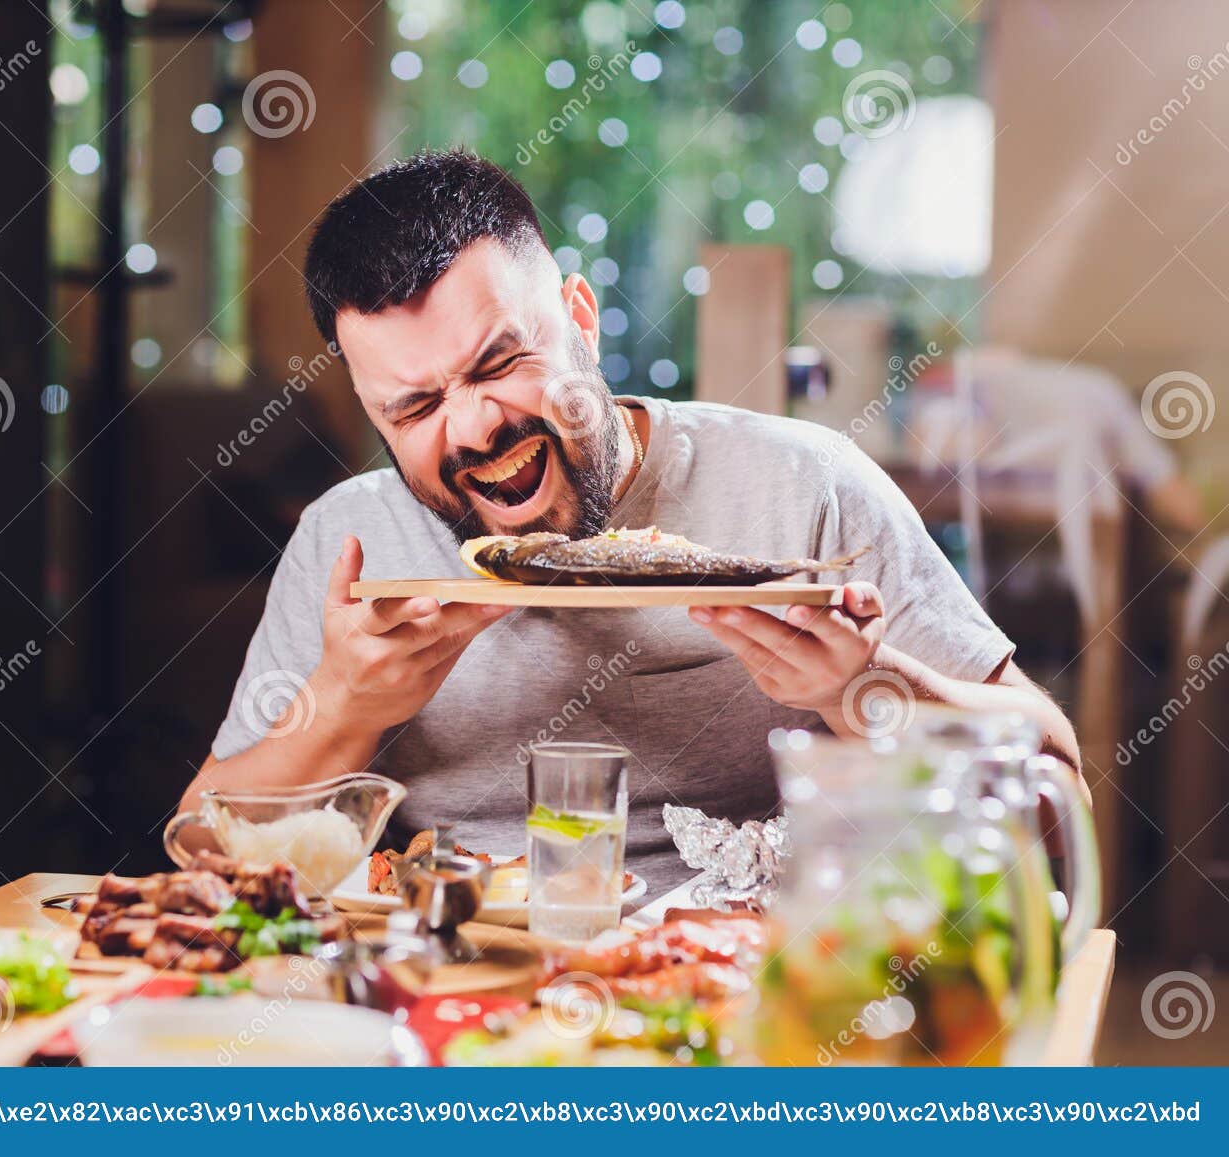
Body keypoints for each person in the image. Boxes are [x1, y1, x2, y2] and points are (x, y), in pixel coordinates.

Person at [183, 150, 1080, 894]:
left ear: (580, 320)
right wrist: (344, 708)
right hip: (441, 1018)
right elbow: (199, 852)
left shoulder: (802, 487)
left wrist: (868, 688)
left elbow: (1057, 797)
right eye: (414, 408)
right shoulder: (353, 547)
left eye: (501, 362)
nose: (475, 426)